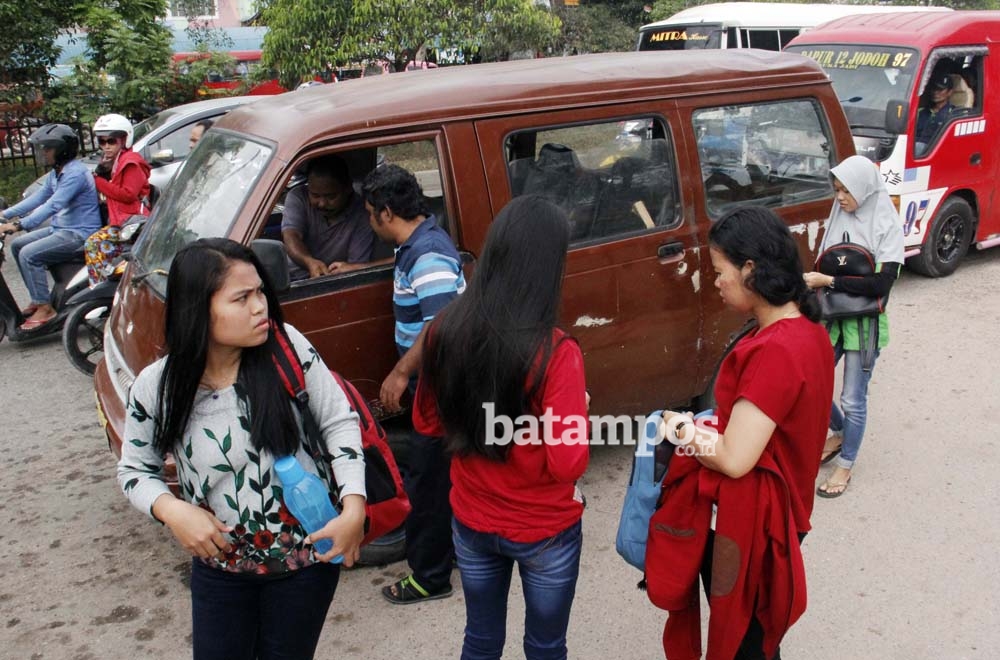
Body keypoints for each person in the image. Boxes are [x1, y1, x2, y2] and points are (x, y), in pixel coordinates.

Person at [117, 238, 367, 659]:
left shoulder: (287, 349)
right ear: (198, 309)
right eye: (242, 298)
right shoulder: (158, 386)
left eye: (260, 292)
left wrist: (354, 507)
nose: (260, 307)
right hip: (220, 569)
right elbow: (135, 471)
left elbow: (338, 421)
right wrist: (172, 510)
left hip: (305, 563)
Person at [651, 206, 834, 660]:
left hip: (751, 522)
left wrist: (679, 427)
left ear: (750, 269)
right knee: (758, 630)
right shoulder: (806, 330)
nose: (715, 282)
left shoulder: (776, 350)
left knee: (744, 638)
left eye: (720, 272)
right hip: (785, 507)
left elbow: (734, 458)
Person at [414, 195, 589, 659]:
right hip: (543, 529)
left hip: (472, 517)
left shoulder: (445, 329)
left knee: (480, 639)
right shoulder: (557, 352)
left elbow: (427, 422)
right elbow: (568, 463)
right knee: (545, 646)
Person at [362, 164, 466, 604]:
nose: (369, 222)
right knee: (444, 476)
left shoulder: (427, 255)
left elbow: (440, 323)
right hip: (437, 380)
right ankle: (454, 550)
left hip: (441, 382)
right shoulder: (417, 245)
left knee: (426, 481)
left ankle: (430, 577)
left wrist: (402, 371)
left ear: (386, 213)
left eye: (370, 214)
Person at [804, 155, 904, 498]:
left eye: (846, 191)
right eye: (836, 190)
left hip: (864, 324)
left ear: (863, 188)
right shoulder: (838, 215)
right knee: (812, 383)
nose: (840, 197)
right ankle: (841, 432)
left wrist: (830, 281)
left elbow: (882, 284)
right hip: (832, 318)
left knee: (852, 397)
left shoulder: (886, 225)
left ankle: (845, 465)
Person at [0, 124, 102, 330]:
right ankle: (39, 298)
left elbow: (53, 204)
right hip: (62, 229)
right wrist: (4, 215)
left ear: (61, 150)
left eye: (47, 148)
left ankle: (46, 308)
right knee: (18, 246)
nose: (43, 153)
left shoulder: (75, 174)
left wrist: (19, 225)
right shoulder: (57, 172)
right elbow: (38, 198)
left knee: (29, 254)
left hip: (79, 233)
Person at [281, 155, 377, 280]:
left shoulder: (362, 213)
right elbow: (291, 236)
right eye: (315, 195)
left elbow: (355, 267)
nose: (322, 203)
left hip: (331, 281)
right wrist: (309, 261)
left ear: (348, 188)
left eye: (331, 197)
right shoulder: (298, 197)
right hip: (292, 278)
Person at [83, 113, 152, 285]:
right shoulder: (116, 161)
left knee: (93, 244)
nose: (106, 146)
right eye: (102, 141)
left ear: (124, 140)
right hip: (121, 222)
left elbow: (128, 194)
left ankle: (99, 287)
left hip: (133, 224)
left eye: (111, 141)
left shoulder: (131, 163)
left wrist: (98, 181)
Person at [914, 73, 956, 154]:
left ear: (950, 92)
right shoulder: (921, 111)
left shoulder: (953, 114)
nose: (935, 92)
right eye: (934, 89)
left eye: (940, 89)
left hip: (934, 152)